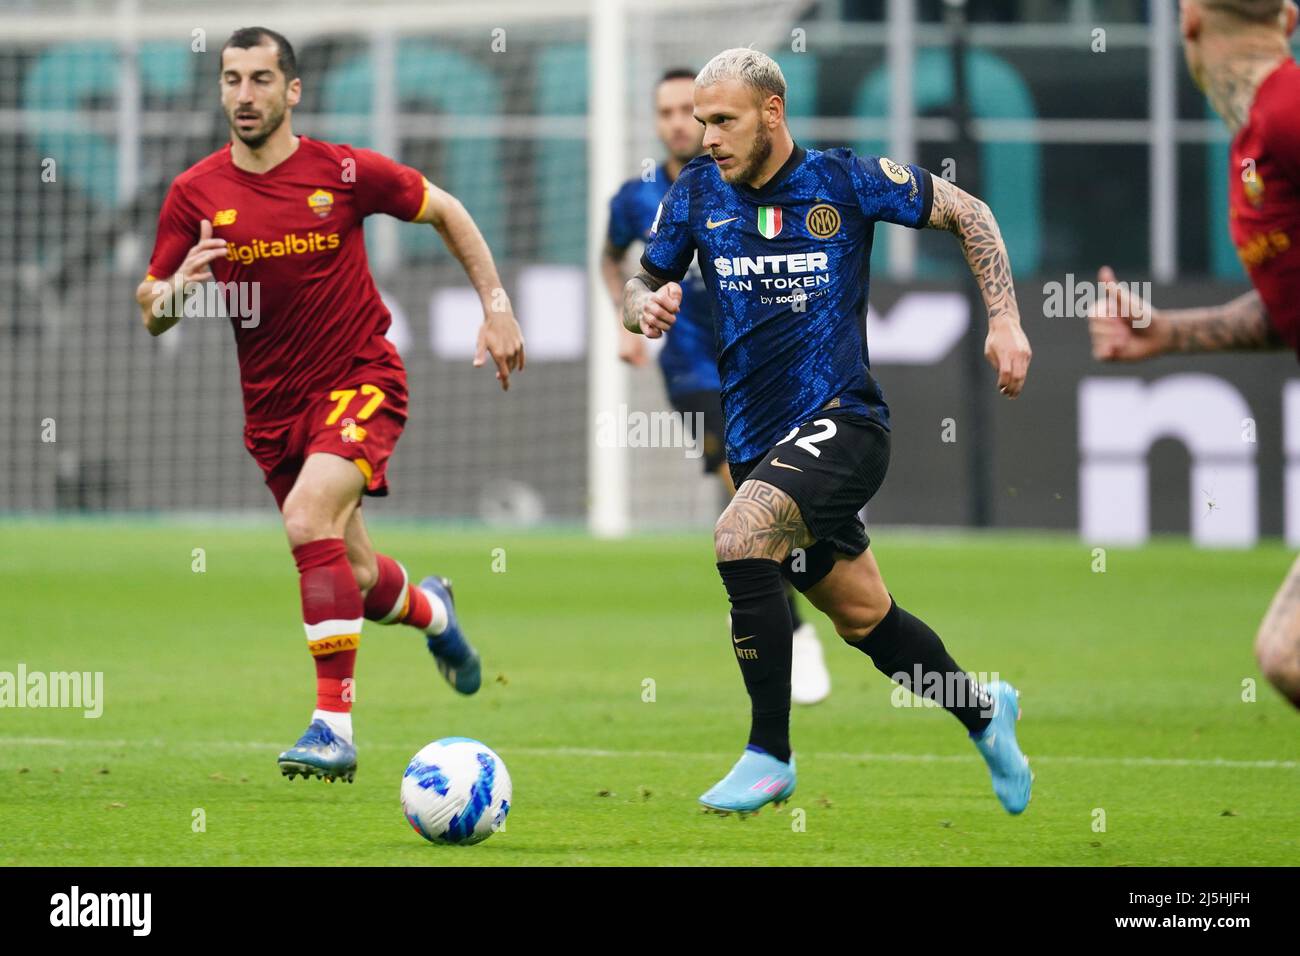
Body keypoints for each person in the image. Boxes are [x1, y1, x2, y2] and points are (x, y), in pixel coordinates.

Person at [625, 48, 1034, 815]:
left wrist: (1005, 320)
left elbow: (969, 213)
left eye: (723, 119)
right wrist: (639, 307)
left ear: (771, 113)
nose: (706, 135)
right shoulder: (695, 194)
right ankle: (984, 712)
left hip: (844, 423)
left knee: (739, 538)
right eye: (701, 121)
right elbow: (640, 281)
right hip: (759, 446)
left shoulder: (844, 181)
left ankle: (769, 754)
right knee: (864, 619)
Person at [135, 27, 525, 783]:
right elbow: (150, 307)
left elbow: (446, 209)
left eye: (259, 80)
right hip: (273, 414)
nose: (243, 96)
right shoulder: (196, 193)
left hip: (361, 380)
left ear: (292, 91)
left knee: (307, 519)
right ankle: (433, 610)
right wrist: (177, 289)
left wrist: (498, 305)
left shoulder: (342, 172)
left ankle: (331, 728)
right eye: (231, 80)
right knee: (359, 574)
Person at [1087, 0, 1300, 709]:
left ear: (1189, 22)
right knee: (1286, 653)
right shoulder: (1259, 141)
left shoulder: (1288, 115)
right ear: (1290, 20)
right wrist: (1170, 335)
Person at [602, 67, 832, 705]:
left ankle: (756, 583)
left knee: (767, 490)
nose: (681, 123)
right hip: (694, 368)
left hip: (764, 365)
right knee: (743, 480)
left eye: (692, 111)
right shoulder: (636, 196)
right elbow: (612, 260)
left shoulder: (753, 183)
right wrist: (626, 319)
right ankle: (794, 629)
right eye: (669, 111)